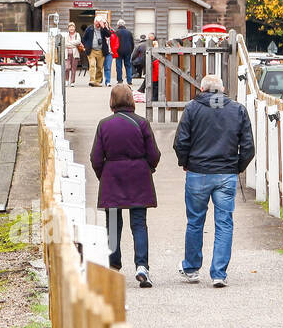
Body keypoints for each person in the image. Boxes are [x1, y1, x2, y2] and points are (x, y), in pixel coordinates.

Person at [173, 73, 255, 287]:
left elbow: (181, 142)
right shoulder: (237, 110)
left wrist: (185, 162)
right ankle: (219, 273)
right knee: (224, 223)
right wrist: (236, 167)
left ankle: (191, 268)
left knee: (195, 221)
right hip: (225, 174)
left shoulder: (192, 108)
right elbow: (248, 147)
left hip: (198, 172)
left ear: (202, 90)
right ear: (222, 90)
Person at [90, 83, 159, 286]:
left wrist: (103, 174)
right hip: (138, 177)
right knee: (139, 223)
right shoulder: (142, 123)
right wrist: (148, 168)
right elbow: (154, 154)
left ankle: (113, 265)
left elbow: (95, 157)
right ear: (131, 100)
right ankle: (142, 266)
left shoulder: (104, 124)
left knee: (112, 224)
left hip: (112, 177)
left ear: (112, 101)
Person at [83, 19, 110, 87]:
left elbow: (109, 34)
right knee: (92, 65)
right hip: (91, 50)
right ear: (94, 22)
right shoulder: (90, 28)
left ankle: (97, 81)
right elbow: (84, 38)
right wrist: (86, 46)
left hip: (101, 51)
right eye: (96, 22)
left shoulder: (103, 29)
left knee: (99, 67)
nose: (97, 24)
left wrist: (104, 26)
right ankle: (92, 80)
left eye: (99, 22)